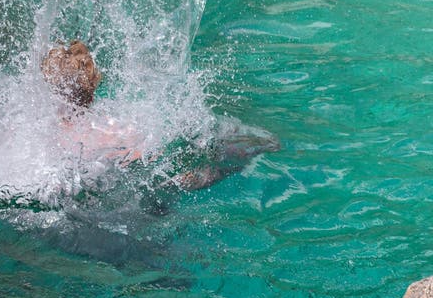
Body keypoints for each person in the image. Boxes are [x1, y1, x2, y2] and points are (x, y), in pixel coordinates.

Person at [41, 39, 278, 189]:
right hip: (122, 197)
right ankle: (259, 146)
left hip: (74, 197)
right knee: (204, 172)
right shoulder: (113, 128)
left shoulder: (34, 132)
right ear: (93, 87)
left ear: (51, 87)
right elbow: (154, 157)